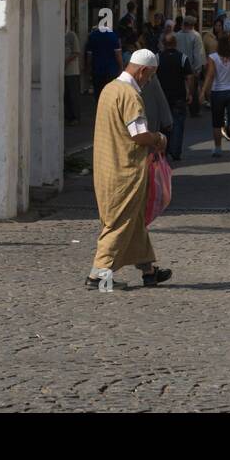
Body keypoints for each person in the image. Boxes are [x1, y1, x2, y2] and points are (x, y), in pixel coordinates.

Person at [86, 50, 172, 290]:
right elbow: (139, 135)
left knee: (132, 221)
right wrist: (159, 139)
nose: (149, 81)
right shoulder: (130, 95)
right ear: (143, 70)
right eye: (151, 76)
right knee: (120, 222)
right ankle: (98, 274)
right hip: (126, 170)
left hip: (106, 165)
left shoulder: (109, 89)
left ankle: (148, 271)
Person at [201, 32, 230, 160]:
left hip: (218, 92)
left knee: (217, 122)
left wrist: (203, 91)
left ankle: (218, 148)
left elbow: (210, 75)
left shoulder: (213, 57)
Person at [158, 30, 193, 160]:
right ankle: (176, 151)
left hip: (162, 97)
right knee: (178, 124)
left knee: (163, 124)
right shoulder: (183, 58)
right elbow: (189, 77)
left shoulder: (157, 58)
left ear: (163, 43)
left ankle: (164, 149)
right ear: (175, 43)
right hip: (179, 96)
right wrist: (189, 92)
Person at [85, 13, 122, 102]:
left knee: (99, 94)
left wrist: (88, 69)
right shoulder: (113, 36)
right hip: (111, 70)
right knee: (111, 95)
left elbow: (89, 55)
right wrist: (121, 68)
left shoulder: (92, 36)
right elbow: (118, 55)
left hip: (97, 70)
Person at [175, 15, 205, 113]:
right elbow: (198, 53)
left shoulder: (177, 35)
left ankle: (180, 106)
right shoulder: (196, 36)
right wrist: (198, 69)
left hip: (179, 65)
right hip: (191, 66)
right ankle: (193, 109)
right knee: (193, 88)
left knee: (180, 87)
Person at [64, 26, 82, 124]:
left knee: (73, 94)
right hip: (62, 71)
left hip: (71, 71)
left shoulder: (71, 35)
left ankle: (75, 117)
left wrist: (66, 62)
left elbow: (76, 52)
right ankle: (68, 116)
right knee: (66, 95)